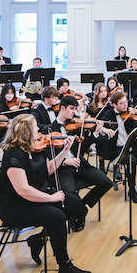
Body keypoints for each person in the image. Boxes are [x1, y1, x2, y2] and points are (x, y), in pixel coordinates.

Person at [0, 114, 91, 273]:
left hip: (34, 197)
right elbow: (23, 190)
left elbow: (48, 169)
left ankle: (39, 239)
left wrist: (64, 151)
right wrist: (50, 198)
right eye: (35, 127)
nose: (39, 130)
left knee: (73, 203)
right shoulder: (13, 157)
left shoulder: (35, 150)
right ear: (26, 132)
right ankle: (65, 267)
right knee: (57, 217)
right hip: (16, 206)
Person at [48, 97, 113, 231]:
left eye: (75, 109)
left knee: (106, 182)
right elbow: (48, 155)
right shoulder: (49, 129)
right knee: (70, 193)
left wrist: (95, 133)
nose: (74, 112)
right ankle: (78, 211)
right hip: (63, 169)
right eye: (71, 109)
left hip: (80, 165)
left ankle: (82, 207)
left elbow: (82, 149)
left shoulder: (76, 126)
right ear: (62, 108)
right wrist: (65, 161)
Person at [98, 90, 137, 203]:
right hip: (116, 148)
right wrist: (104, 129)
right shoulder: (109, 114)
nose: (125, 105)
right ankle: (132, 190)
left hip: (132, 144)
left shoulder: (131, 114)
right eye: (121, 103)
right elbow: (98, 124)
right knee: (132, 161)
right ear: (114, 104)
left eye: (126, 102)